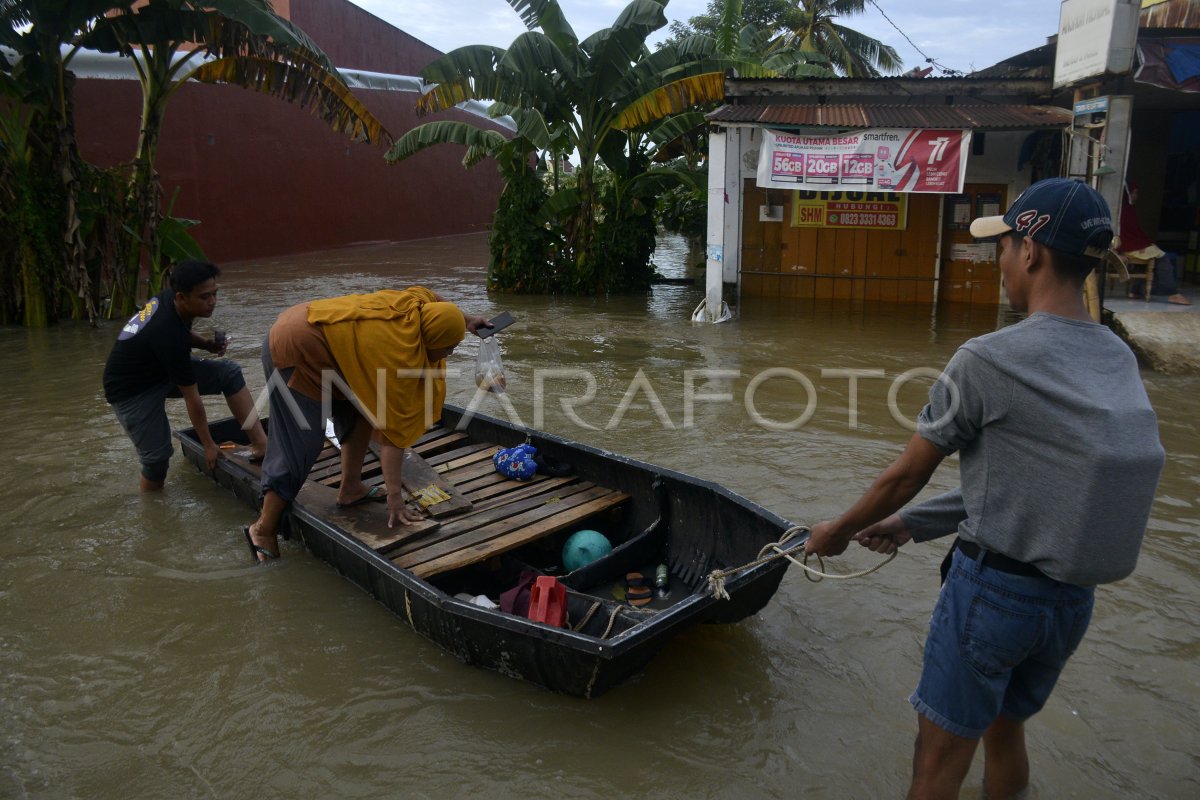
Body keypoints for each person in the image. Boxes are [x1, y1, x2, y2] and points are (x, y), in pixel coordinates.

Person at [805, 179, 1164, 800]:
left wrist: (834, 532)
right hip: (1069, 605)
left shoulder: (987, 359)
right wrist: (915, 524)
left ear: (1030, 251)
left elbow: (906, 473)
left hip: (994, 595)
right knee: (1005, 730)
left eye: (1003, 247)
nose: (999, 263)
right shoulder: (1115, 357)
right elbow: (1041, 481)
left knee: (937, 760)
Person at [242, 286, 491, 563]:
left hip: (333, 342)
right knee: (302, 442)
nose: (450, 354)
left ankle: (350, 489)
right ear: (428, 338)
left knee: (362, 409)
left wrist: (465, 319)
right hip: (297, 347)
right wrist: (394, 498)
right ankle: (263, 528)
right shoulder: (399, 357)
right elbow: (393, 436)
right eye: (447, 348)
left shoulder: (420, 305)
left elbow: (434, 297)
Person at [104, 260, 268, 491]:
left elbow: (181, 330)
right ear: (181, 297)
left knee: (228, 373)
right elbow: (192, 398)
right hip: (132, 390)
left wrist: (207, 345)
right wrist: (209, 445)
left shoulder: (171, 301)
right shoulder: (166, 334)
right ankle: (152, 506)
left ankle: (261, 443)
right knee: (157, 459)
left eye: (214, 294)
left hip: (158, 367)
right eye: (204, 297)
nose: (212, 302)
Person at [1119, 182, 1192, 304]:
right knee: (1162, 257)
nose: (1136, 196)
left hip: (1132, 244)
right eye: (1134, 193)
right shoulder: (1123, 211)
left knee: (1154, 253)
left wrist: (1146, 243)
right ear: (1128, 194)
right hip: (1128, 246)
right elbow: (1123, 233)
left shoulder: (1128, 209)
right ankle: (1172, 293)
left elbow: (1136, 232)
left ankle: (1136, 289)